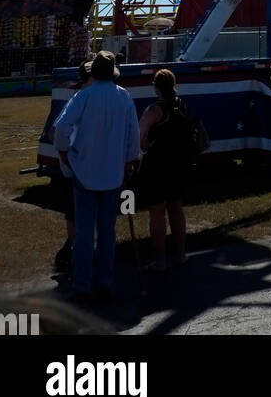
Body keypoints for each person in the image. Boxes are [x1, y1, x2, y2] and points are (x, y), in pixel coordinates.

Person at [52, 50, 141, 304]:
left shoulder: (84, 96)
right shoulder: (123, 97)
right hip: (113, 174)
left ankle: (82, 284)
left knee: (83, 232)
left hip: (85, 172)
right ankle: (105, 282)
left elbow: (61, 127)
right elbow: (132, 134)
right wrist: (131, 161)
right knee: (107, 231)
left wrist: (64, 152)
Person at [136, 69, 193, 272]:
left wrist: (143, 147)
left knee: (157, 213)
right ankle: (180, 254)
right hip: (177, 165)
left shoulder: (153, 110)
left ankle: (159, 260)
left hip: (157, 167)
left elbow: (139, 136)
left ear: (156, 86)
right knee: (176, 209)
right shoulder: (181, 105)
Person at [52, 60, 92, 274]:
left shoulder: (77, 98)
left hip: (79, 168)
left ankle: (76, 254)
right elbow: (57, 131)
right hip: (88, 168)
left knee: (77, 215)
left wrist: (64, 154)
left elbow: (57, 131)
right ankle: (77, 253)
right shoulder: (80, 99)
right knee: (80, 215)